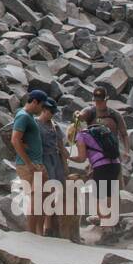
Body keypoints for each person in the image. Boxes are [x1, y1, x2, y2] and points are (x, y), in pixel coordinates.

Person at [71, 105, 122, 233]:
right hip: (115, 164)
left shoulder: (80, 136)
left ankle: (106, 229)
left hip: (102, 167)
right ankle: (112, 225)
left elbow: (82, 158)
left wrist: (69, 157)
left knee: (100, 199)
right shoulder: (96, 131)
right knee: (110, 196)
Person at [38, 98, 80, 242]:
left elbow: (61, 147)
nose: (52, 115)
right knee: (47, 193)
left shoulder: (55, 126)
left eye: (53, 112)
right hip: (44, 160)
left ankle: (54, 227)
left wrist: (66, 164)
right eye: (50, 111)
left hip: (56, 160)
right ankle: (45, 226)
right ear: (43, 110)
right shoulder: (37, 125)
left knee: (58, 192)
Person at [10, 90, 48, 235]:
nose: (42, 110)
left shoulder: (28, 116)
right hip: (29, 164)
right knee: (35, 198)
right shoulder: (23, 116)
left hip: (37, 163)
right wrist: (29, 164)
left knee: (44, 196)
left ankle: (39, 231)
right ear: (34, 102)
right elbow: (15, 139)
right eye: (42, 106)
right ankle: (32, 234)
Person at [92, 86, 131, 184]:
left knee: (116, 185)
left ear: (106, 100)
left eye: (100, 101)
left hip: (113, 155)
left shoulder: (115, 115)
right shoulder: (90, 114)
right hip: (96, 156)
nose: (98, 104)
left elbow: (124, 134)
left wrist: (127, 151)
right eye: (96, 101)